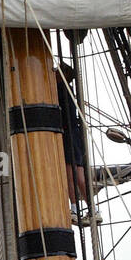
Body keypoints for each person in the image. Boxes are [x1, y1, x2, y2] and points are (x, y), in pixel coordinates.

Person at [56, 68, 93, 225]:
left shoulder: (59, 89)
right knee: (78, 176)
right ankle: (92, 210)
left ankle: (74, 209)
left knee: (70, 175)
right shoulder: (68, 90)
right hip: (75, 135)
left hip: (68, 134)